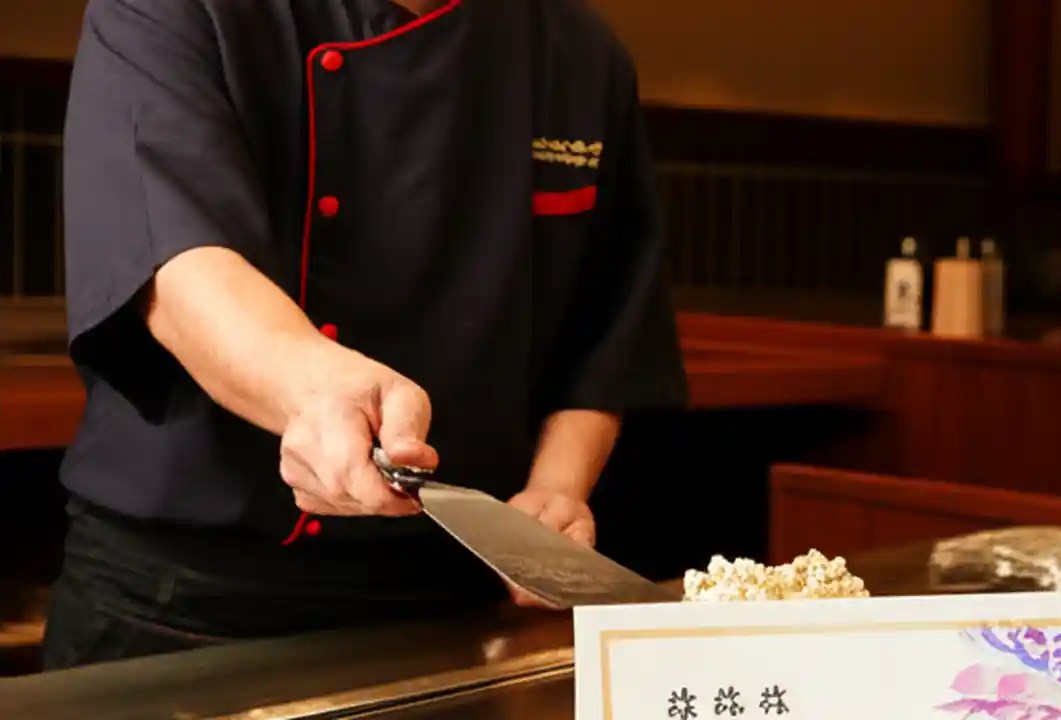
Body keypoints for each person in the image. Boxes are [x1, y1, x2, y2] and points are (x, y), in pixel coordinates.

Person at [41, 0, 688, 670]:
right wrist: (316, 390)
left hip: (460, 604)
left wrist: (555, 491)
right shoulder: (172, 10)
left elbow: (608, 335)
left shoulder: (578, 50)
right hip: (185, 609)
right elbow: (176, 265)